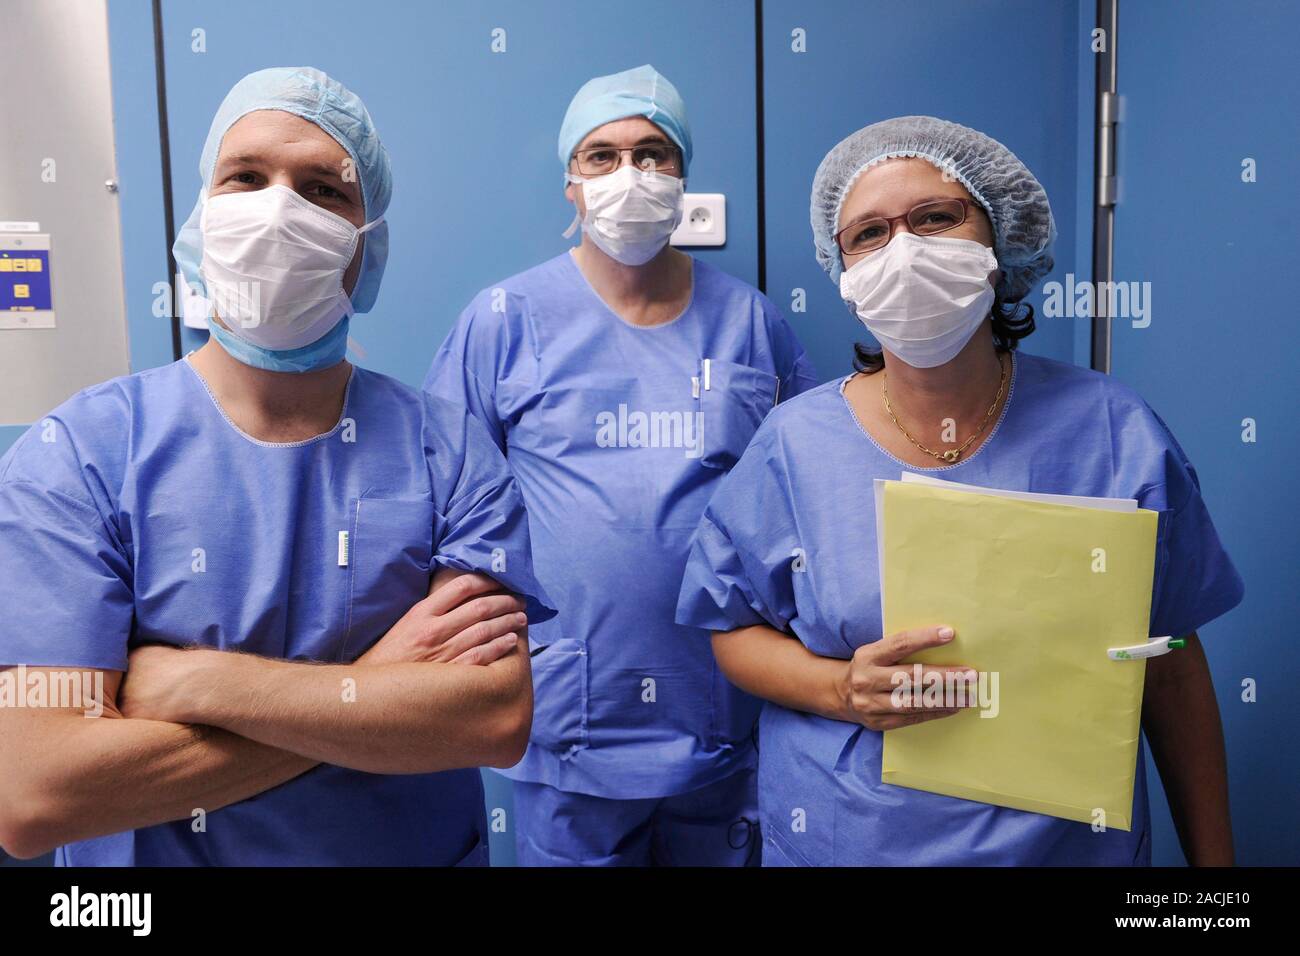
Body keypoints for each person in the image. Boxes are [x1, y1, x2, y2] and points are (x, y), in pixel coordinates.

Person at [0, 67, 553, 866]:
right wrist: (374, 688)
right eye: (246, 178)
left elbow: (494, 721)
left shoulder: (448, 450)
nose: (279, 210)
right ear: (200, 218)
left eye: (326, 190)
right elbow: (36, 793)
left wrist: (202, 685)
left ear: (369, 248)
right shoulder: (80, 455)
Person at [676, 115, 1244, 866]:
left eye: (935, 219)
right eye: (869, 234)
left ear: (998, 242)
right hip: (852, 838)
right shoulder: (795, 444)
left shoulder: (1113, 430)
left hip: (1066, 846)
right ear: (842, 272)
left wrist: (1216, 877)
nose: (903, 252)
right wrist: (842, 689)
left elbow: (1169, 661)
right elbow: (731, 628)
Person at [424, 65, 819, 866]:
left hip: (721, 714)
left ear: (682, 175)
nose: (627, 174)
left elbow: (808, 490)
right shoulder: (505, 321)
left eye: (652, 152)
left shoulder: (749, 323)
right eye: (601, 156)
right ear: (571, 183)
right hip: (572, 715)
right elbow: (445, 506)